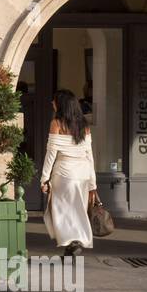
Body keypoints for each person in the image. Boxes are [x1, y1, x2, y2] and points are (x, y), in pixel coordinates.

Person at [39, 88, 97, 256]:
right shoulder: (84, 126)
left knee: (62, 210)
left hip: (64, 174)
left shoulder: (57, 124)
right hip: (83, 174)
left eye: (54, 100)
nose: (52, 103)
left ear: (61, 104)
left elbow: (51, 154)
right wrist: (92, 183)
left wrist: (44, 178)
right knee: (78, 209)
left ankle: (70, 241)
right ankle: (75, 243)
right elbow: (89, 156)